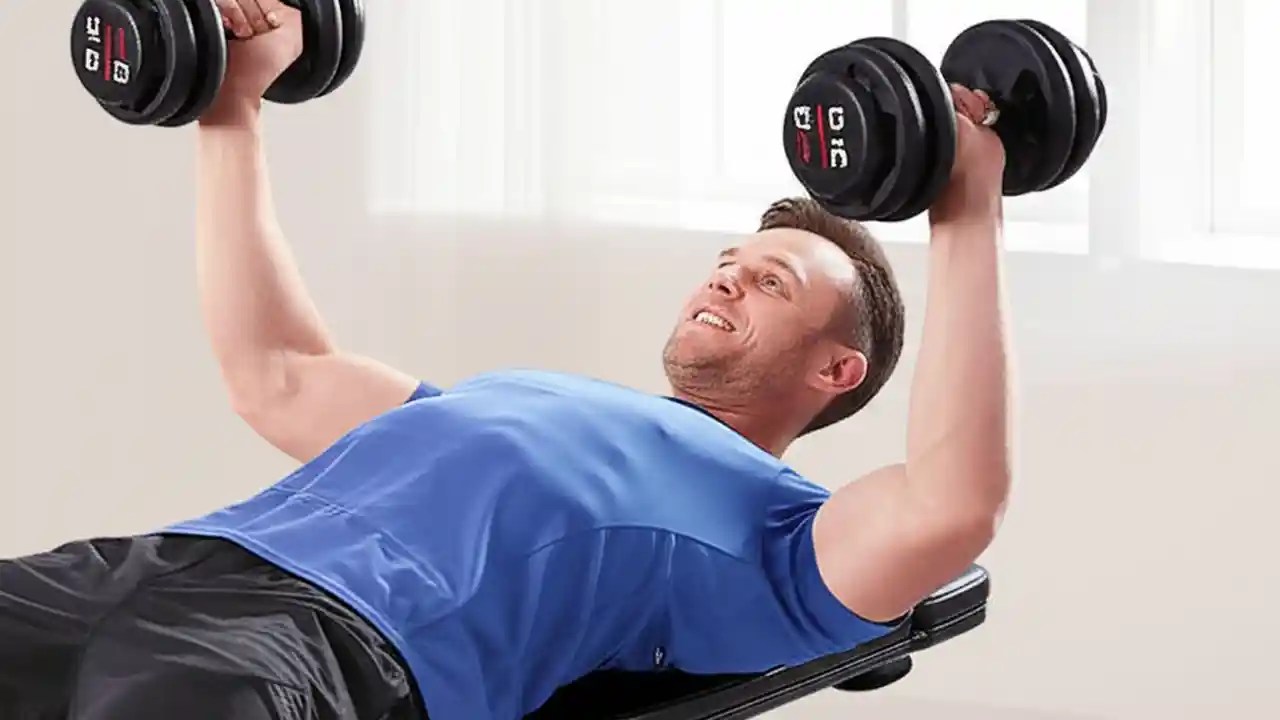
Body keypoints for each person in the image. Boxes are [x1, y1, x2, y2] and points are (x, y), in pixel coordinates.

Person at [0, 2, 1012, 719]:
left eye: (770, 283)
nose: (724, 281)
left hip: (314, 645)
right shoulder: (514, 399)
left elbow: (949, 503)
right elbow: (275, 369)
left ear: (837, 369)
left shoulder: (780, 537)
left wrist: (965, 212)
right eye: (725, 263)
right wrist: (232, 106)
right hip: (150, 565)